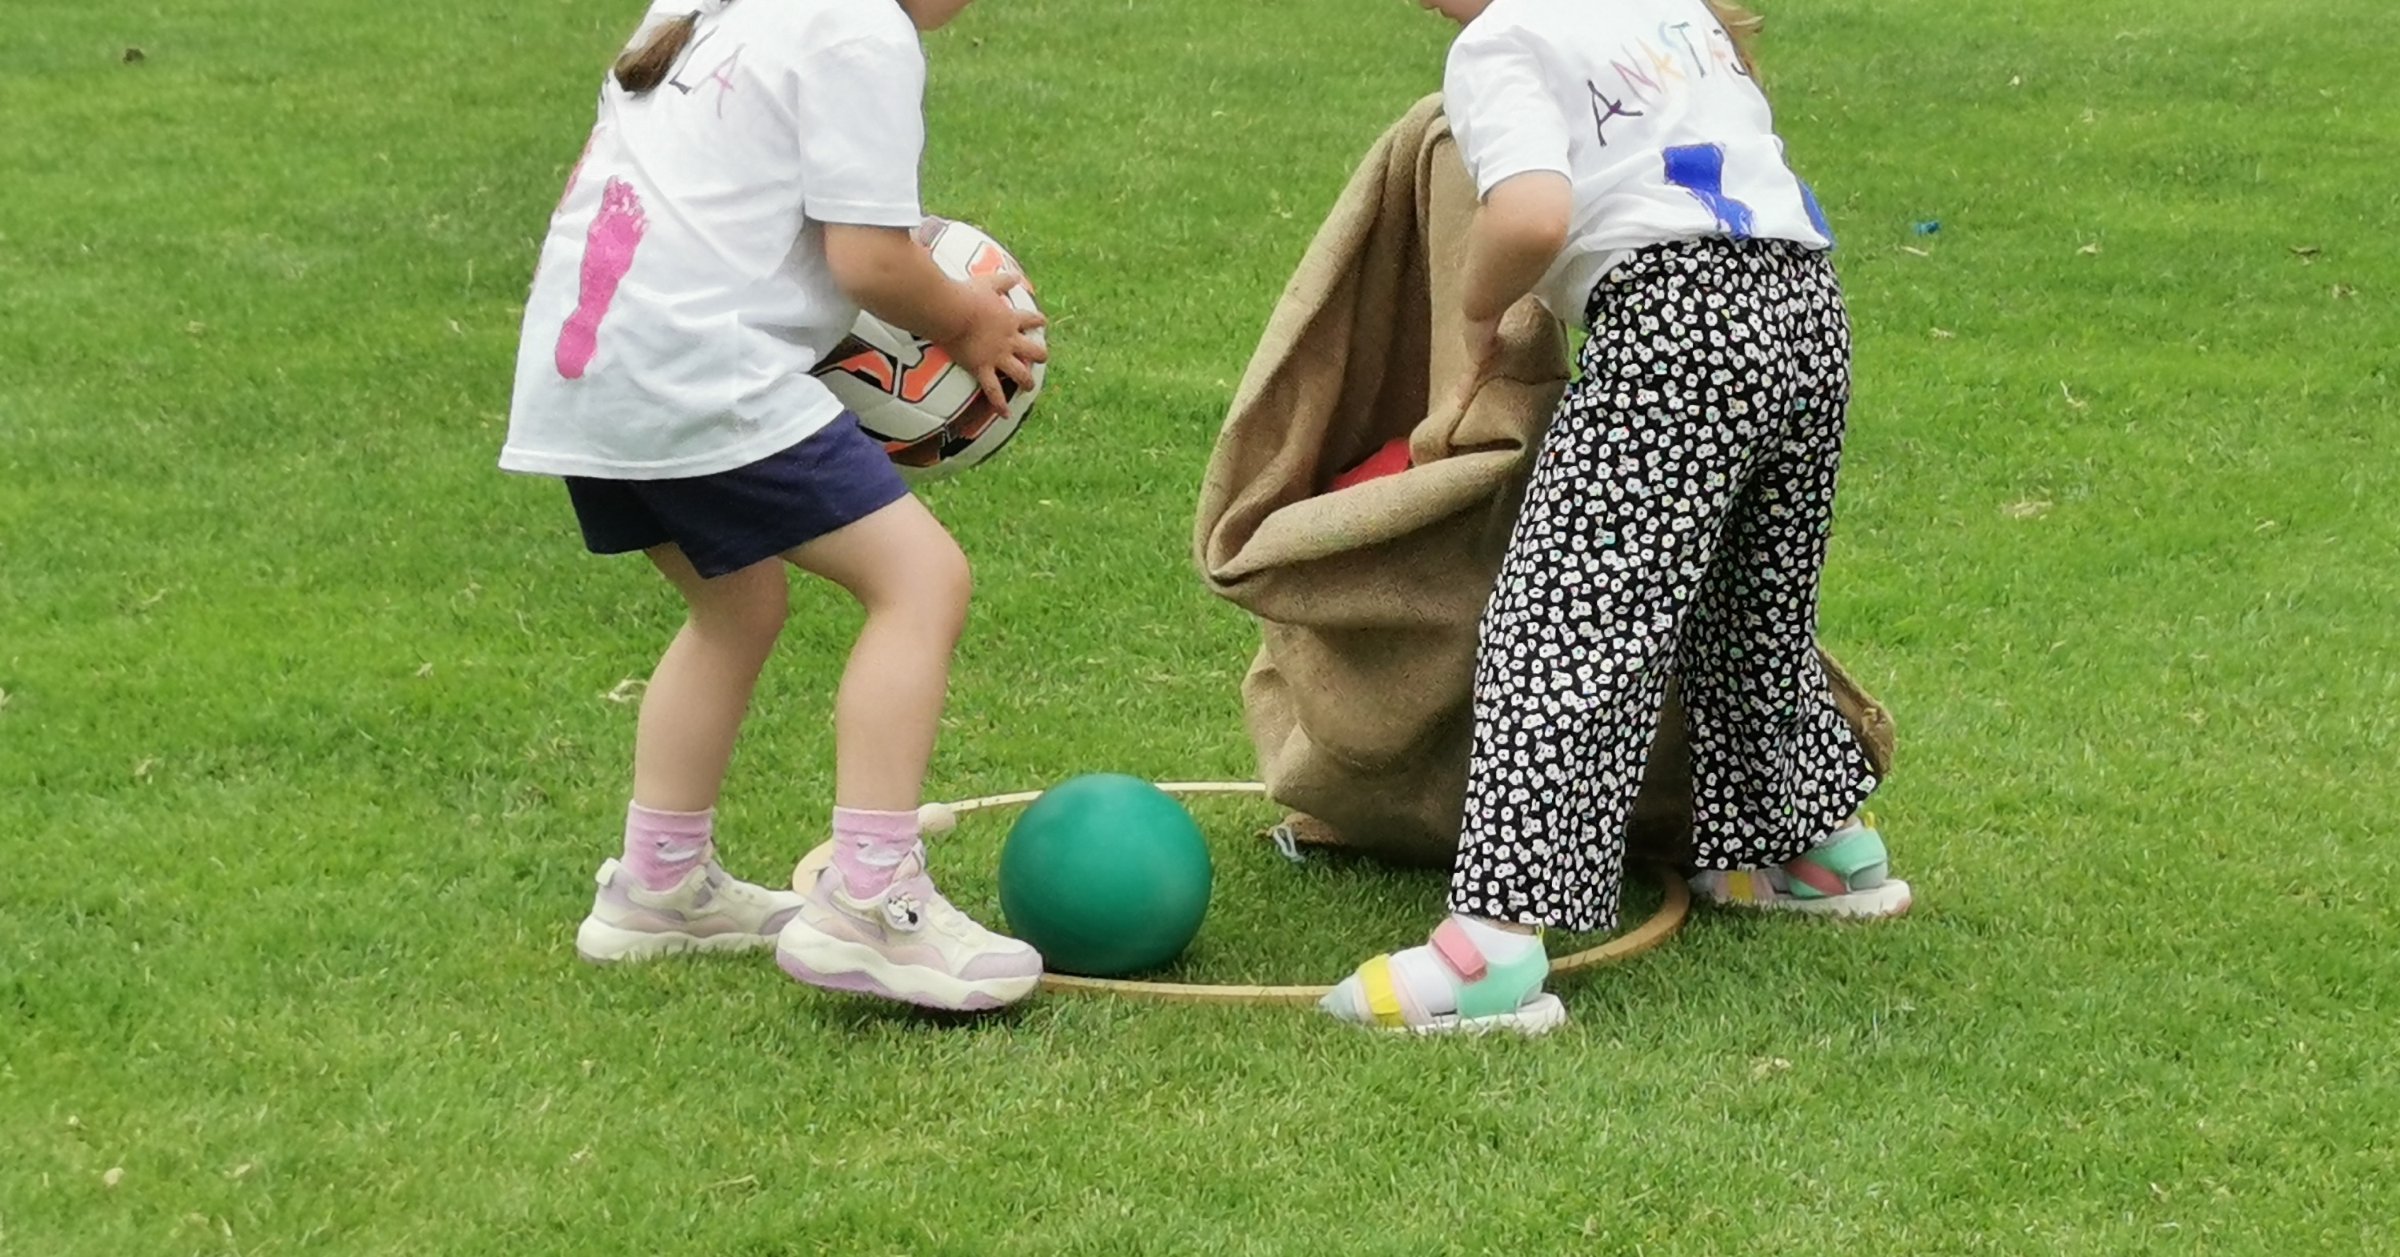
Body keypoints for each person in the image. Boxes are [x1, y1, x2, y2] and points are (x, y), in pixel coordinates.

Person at [1321, 0, 1910, 1034]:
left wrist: (1478, 306)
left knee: (1566, 621)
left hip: (1678, 322)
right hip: (1808, 304)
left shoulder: (1499, 42)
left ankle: (1492, 951)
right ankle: (1811, 851)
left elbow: (1533, 216)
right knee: (1752, 607)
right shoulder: (1662, 6)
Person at [500, 0, 1050, 1012]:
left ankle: (659, 888)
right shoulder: (860, 31)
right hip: (699, 371)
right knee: (922, 583)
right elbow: (872, 262)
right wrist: (970, 318)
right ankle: (872, 904)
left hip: (592, 364)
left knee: (735, 605)